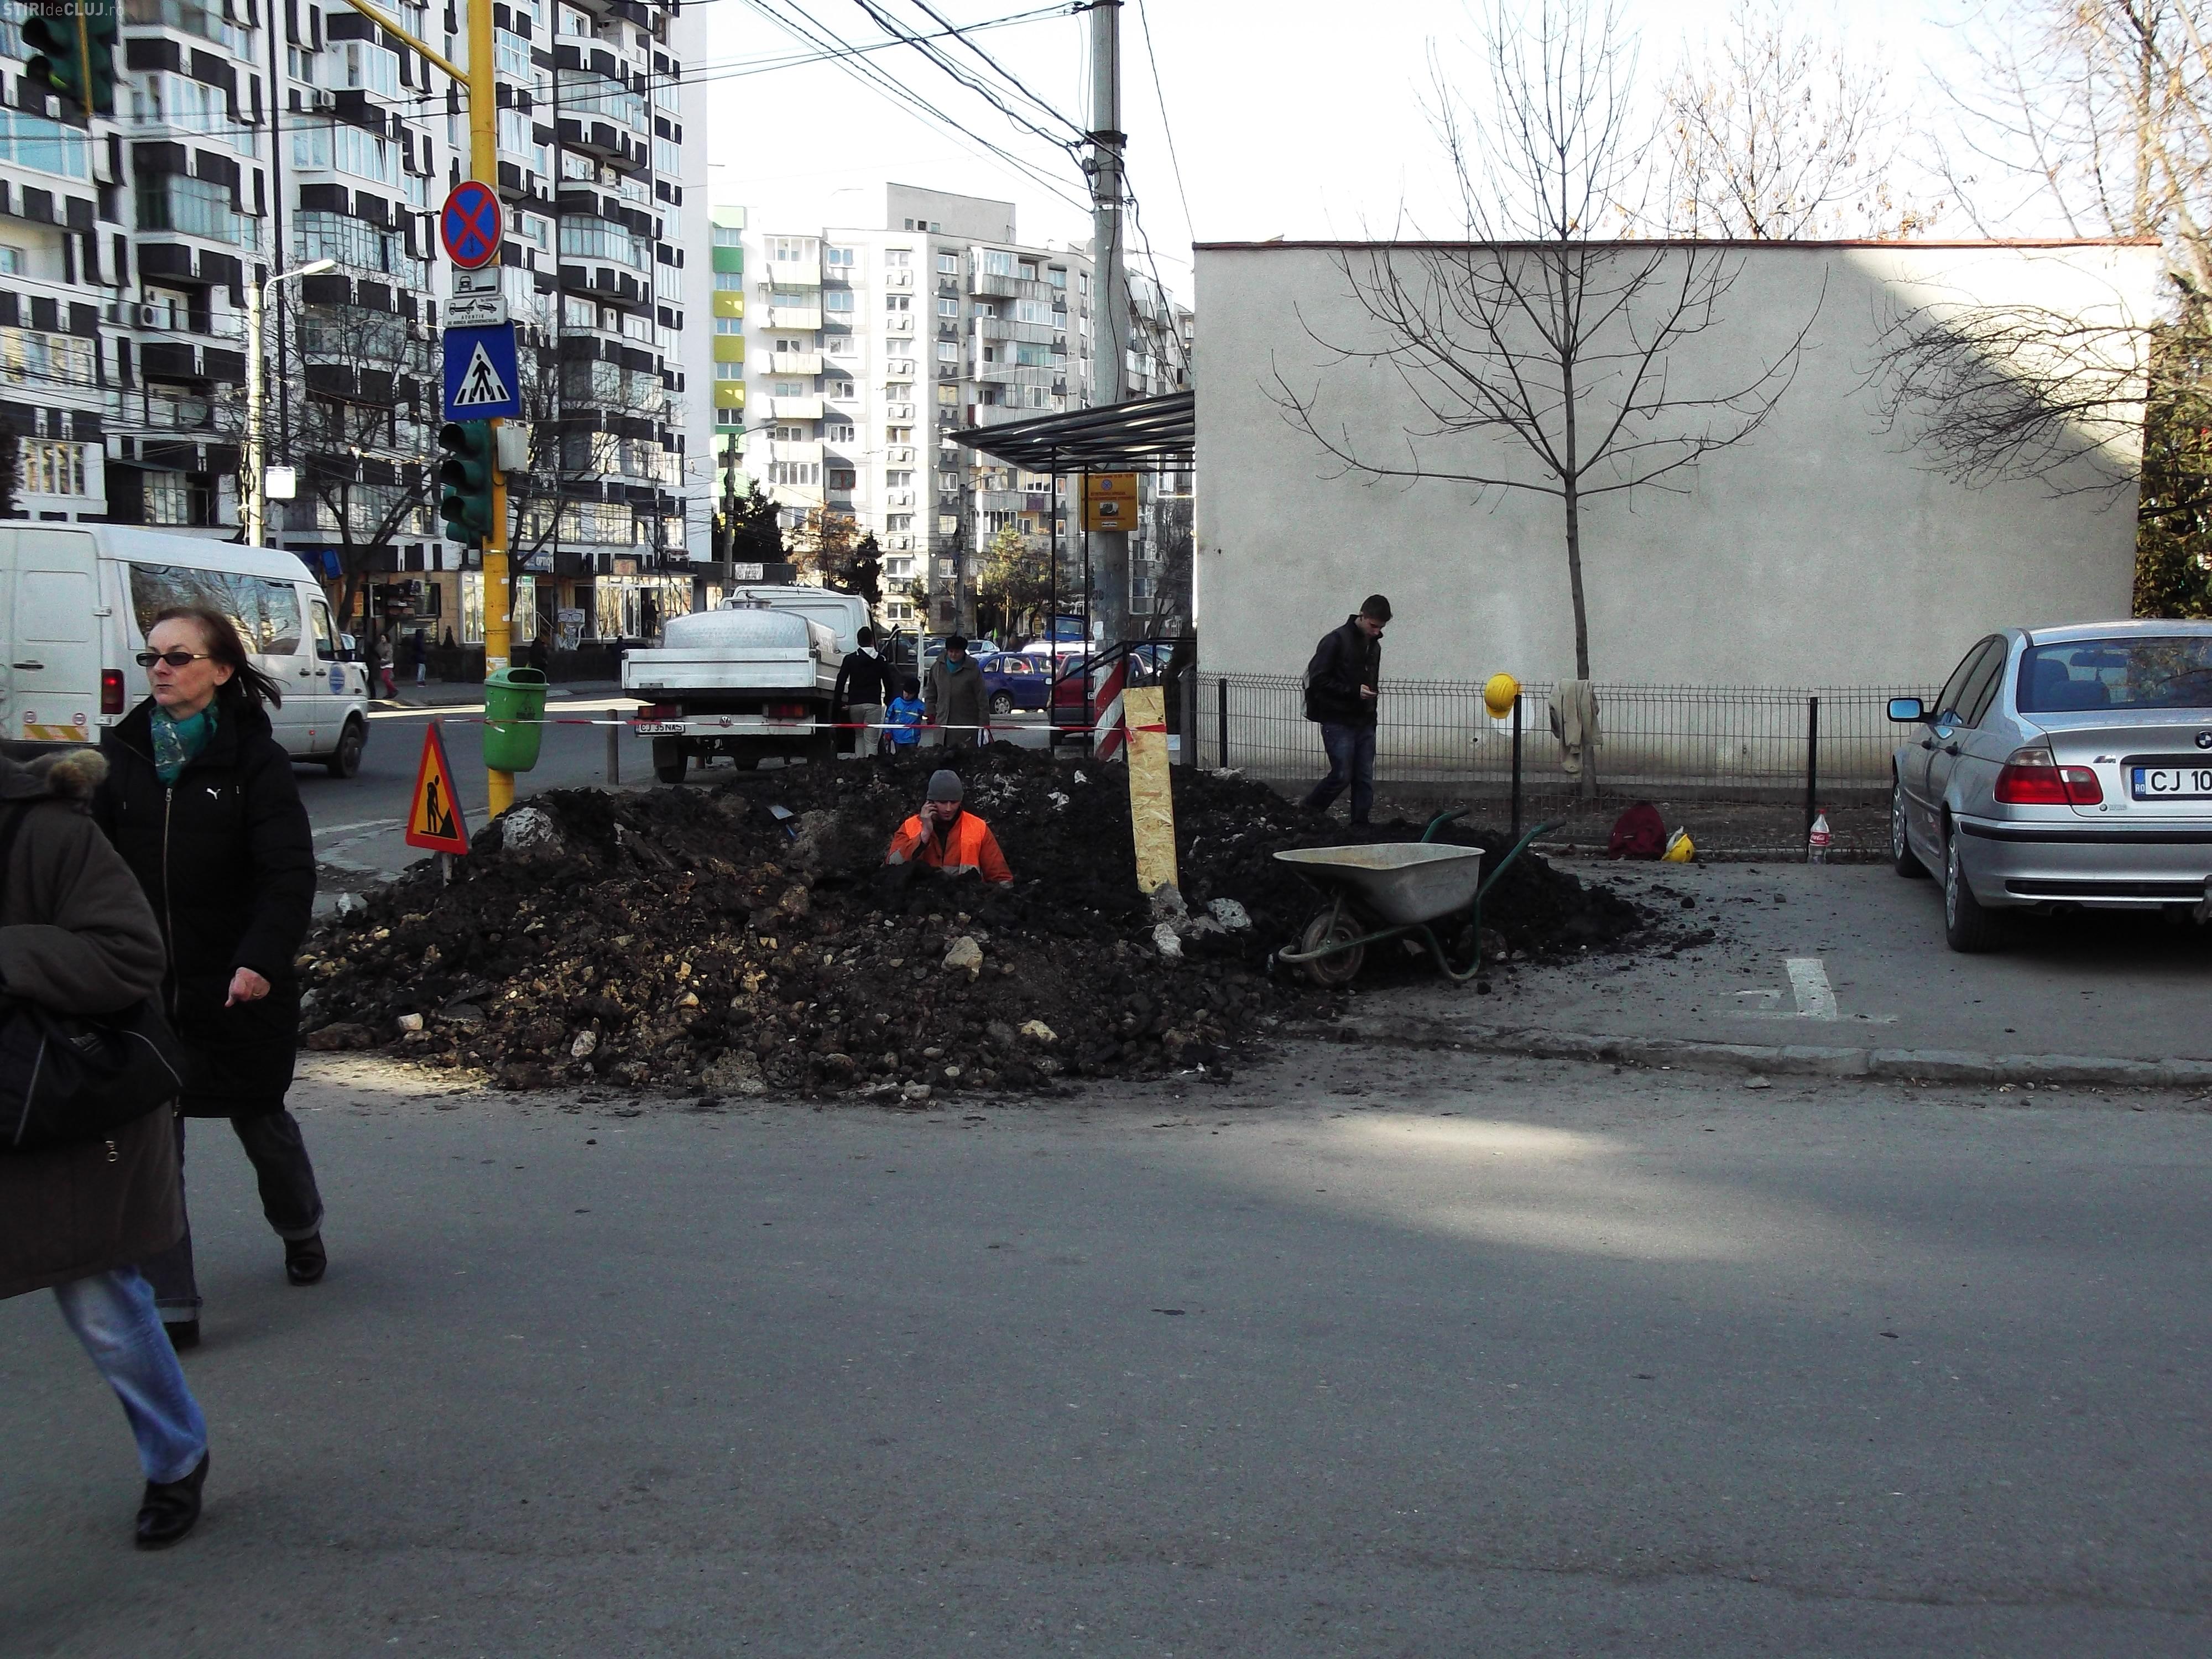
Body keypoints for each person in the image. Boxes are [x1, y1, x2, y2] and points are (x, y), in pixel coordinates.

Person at [0, 744, 213, 1548]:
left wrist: (10, 956)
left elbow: (130, 955)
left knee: (101, 1302)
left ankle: (175, 1457)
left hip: (52, 1109)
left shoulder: (45, 829)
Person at [95, 608, 321, 1348]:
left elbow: (286, 873)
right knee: (155, 1143)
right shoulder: (120, 756)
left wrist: (259, 959)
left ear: (220, 670)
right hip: (145, 989)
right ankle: (174, 1307)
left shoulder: (256, 762)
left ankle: (300, 1228)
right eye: (150, 656)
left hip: (236, 983)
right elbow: (90, 869)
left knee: (261, 1120)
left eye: (177, 656)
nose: (158, 668)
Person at [1302, 594, 1390, 828]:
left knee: (1364, 777)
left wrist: (1370, 711)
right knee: (1342, 774)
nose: (1376, 631)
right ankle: (1307, 813)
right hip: (1337, 719)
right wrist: (1353, 692)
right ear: (1361, 615)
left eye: (1381, 628)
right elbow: (1318, 680)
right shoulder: (1335, 641)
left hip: (1365, 720)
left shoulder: (1374, 646)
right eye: (1373, 626)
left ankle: (1360, 825)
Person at [884, 769, 1013, 883]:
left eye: (954, 802)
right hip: (919, 903)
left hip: (966, 905)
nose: (949, 808)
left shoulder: (978, 827)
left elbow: (1001, 878)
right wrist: (924, 835)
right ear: (930, 802)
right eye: (943, 802)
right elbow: (890, 868)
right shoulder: (910, 826)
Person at [833, 625, 894, 758]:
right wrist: (888, 699)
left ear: (858, 641)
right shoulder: (881, 659)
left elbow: (841, 681)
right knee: (871, 740)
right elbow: (889, 682)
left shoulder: (850, 659)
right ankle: (871, 768)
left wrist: (838, 702)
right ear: (872, 640)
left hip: (855, 704)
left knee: (859, 736)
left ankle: (859, 766)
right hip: (873, 704)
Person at [927, 634, 988, 752]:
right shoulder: (938, 667)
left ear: (963, 652)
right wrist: (930, 711)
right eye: (951, 651)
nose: (953, 655)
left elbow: (982, 698)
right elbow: (930, 692)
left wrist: (984, 723)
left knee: (964, 761)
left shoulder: (973, 669)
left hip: (965, 726)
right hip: (942, 724)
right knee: (941, 759)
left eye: (957, 652)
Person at [886, 676, 926, 754]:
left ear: (915, 694)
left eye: (910, 694)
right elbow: (888, 717)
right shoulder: (896, 703)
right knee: (898, 758)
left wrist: (930, 716)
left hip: (912, 740)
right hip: (898, 738)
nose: (907, 695)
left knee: (912, 760)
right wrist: (887, 731)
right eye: (906, 692)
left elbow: (928, 713)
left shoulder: (920, 706)